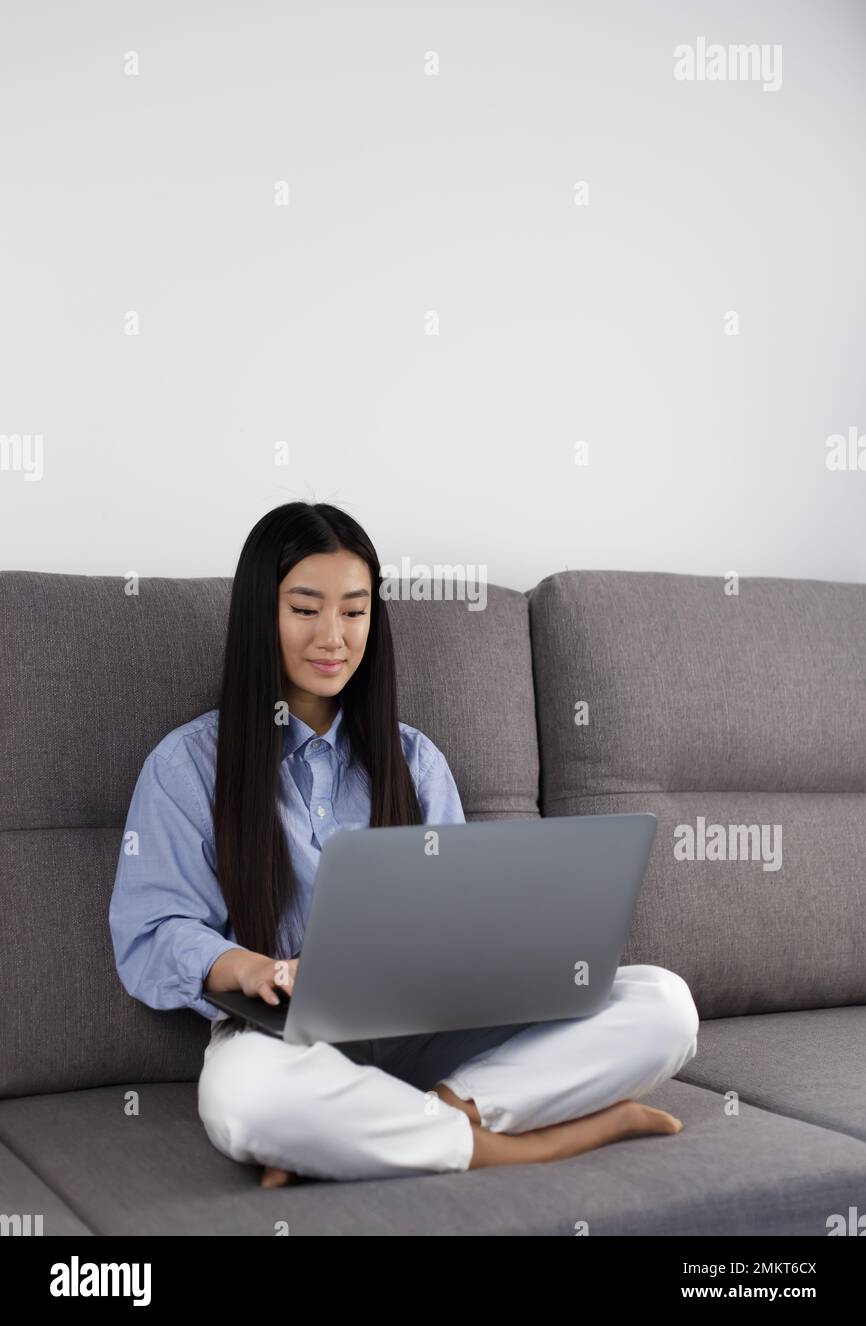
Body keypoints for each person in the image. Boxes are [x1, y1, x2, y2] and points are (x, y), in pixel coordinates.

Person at [109, 501, 699, 1186]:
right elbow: (151, 929)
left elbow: (457, 918)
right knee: (247, 1102)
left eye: (354, 612)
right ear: (258, 617)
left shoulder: (415, 761)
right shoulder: (186, 766)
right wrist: (246, 967)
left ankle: (420, 1119)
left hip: (431, 1031)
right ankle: (530, 1140)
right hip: (283, 1039)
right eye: (305, 609)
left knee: (662, 1005)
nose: (333, 636)